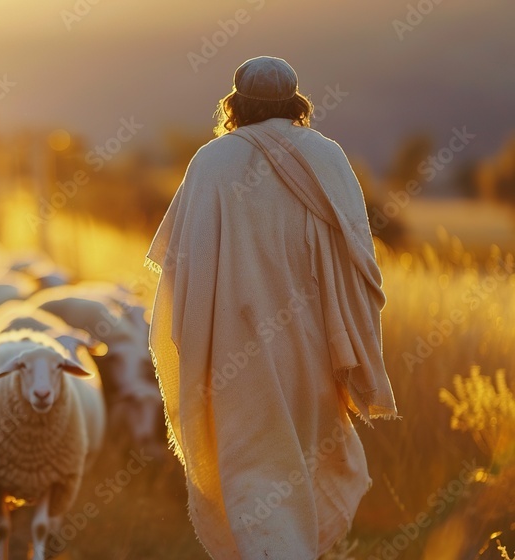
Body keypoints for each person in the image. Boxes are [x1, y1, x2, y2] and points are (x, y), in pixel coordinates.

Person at [145, 56, 398, 559]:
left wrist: (194, 339)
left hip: (234, 354)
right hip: (315, 349)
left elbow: (178, 269)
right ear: (295, 102)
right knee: (306, 460)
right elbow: (361, 265)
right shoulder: (329, 157)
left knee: (251, 472)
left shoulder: (212, 162)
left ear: (235, 105)